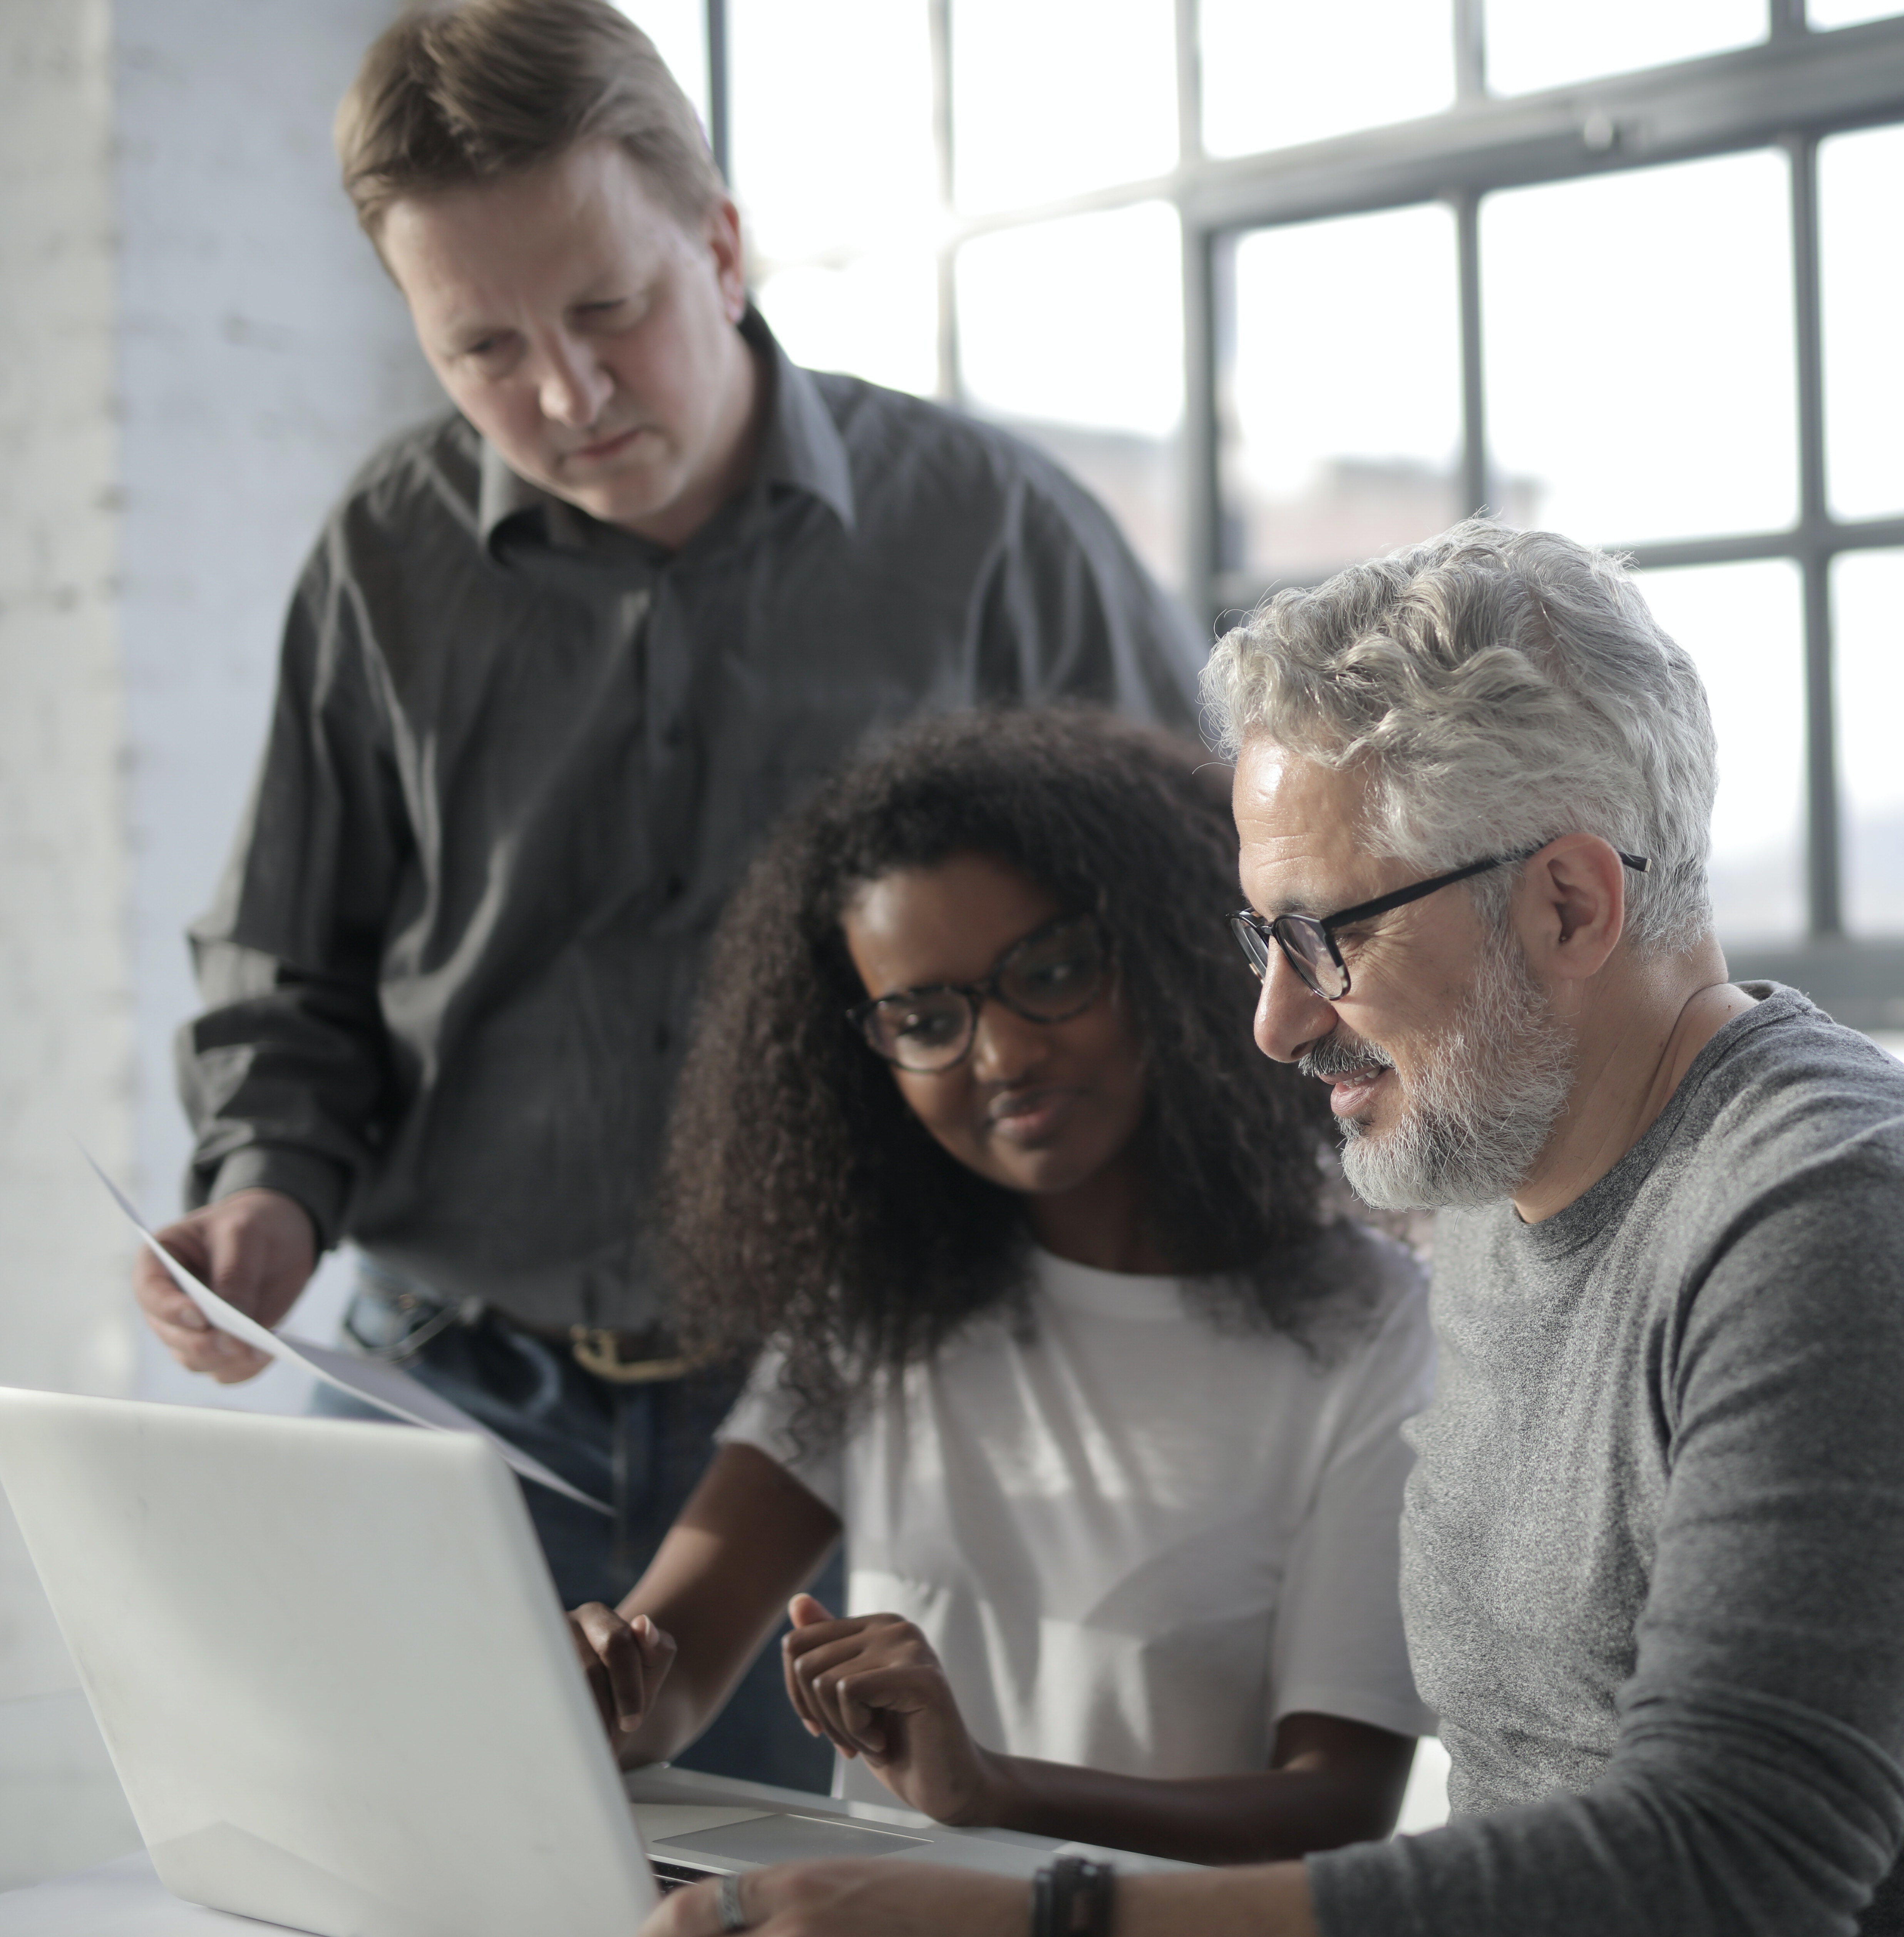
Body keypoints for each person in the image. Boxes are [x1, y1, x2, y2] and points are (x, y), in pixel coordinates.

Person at [633, 524, 1904, 1937]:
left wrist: (1038, 1934)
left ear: (1571, 903)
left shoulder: (1846, 1226)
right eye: (1260, 937)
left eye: (1332, 935)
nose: (1273, 1018)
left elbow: (1727, 1878)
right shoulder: (1488, 1188)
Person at [127, 0, 1201, 1790]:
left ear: (718, 242)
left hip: (872, 1415)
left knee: (821, 1921)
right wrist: (265, 1201)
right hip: (446, 1395)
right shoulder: (382, 558)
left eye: (609, 308)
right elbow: (288, 966)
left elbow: (1189, 954)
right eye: (482, 348)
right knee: (379, 1893)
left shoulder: (998, 536)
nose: (566, 395)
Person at [564, 709, 1431, 1863]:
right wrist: (602, 1688)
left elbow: (1337, 1808)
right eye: (925, 1018)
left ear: (1166, 954)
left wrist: (992, 1789)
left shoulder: (1373, 1329)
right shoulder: (879, 1308)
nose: (1003, 1054)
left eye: (1052, 973)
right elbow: (667, 1681)